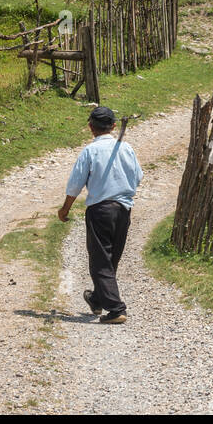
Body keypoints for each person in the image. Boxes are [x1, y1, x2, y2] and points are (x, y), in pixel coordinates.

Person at [58, 106, 143, 324]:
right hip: (123, 209)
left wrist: (65, 209)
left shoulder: (90, 151)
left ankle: (116, 309)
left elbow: (75, 184)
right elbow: (138, 177)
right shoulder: (126, 149)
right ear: (113, 126)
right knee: (111, 258)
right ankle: (97, 298)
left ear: (90, 127)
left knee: (100, 262)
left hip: (100, 210)